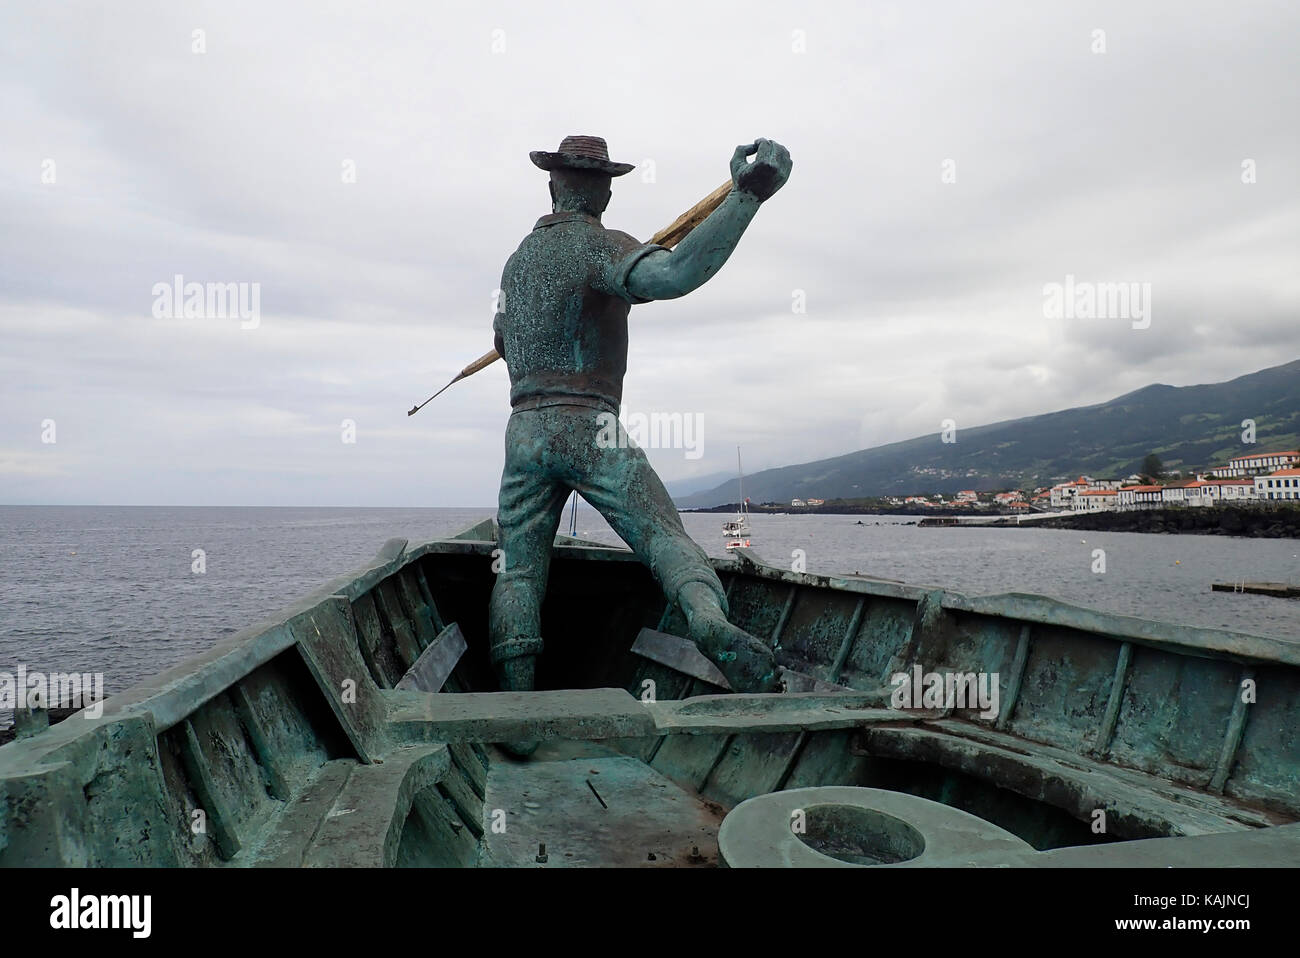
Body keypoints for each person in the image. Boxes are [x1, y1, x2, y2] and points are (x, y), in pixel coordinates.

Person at [488, 135, 793, 747]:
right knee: (661, 536)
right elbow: (677, 274)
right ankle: (707, 622)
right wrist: (745, 197)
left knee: (519, 571)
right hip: (589, 423)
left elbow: (502, 340)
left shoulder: (516, 264)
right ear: (602, 189)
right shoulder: (601, 247)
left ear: (553, 185)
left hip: (523, 433)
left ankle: (517, 710)